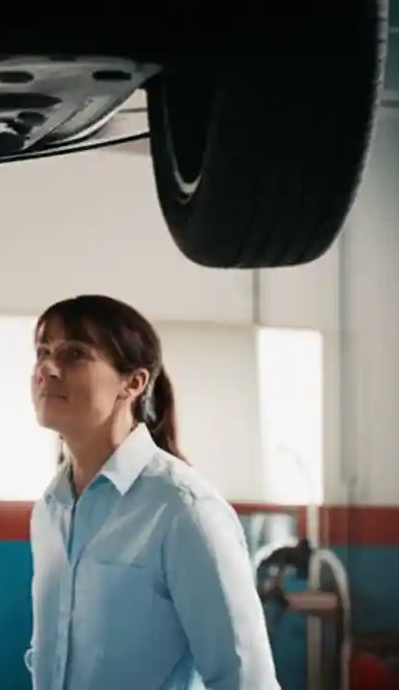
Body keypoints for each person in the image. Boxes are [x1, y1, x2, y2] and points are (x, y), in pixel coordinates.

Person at [24, 294, 279, 690]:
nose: (47, 368)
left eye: (74, 354)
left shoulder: (182, 508)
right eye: (42, 351)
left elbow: (245, 681)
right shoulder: (50, 509)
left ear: (134, 382)